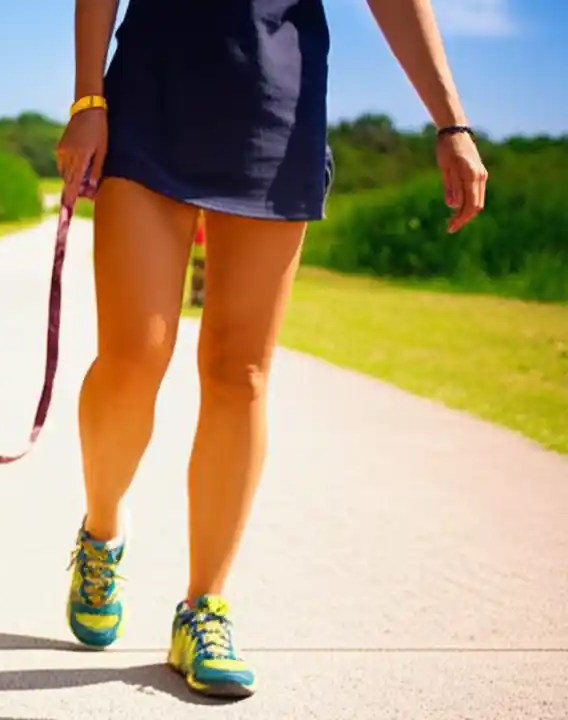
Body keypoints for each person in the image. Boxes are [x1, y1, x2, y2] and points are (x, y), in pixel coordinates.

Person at [55, 0, 488, 699]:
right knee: (134, 356)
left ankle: (203, 608)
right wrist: (87, 95)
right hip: (150, 97)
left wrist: (452, 121)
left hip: (274, 111)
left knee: (240, 372)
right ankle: (101, 533)